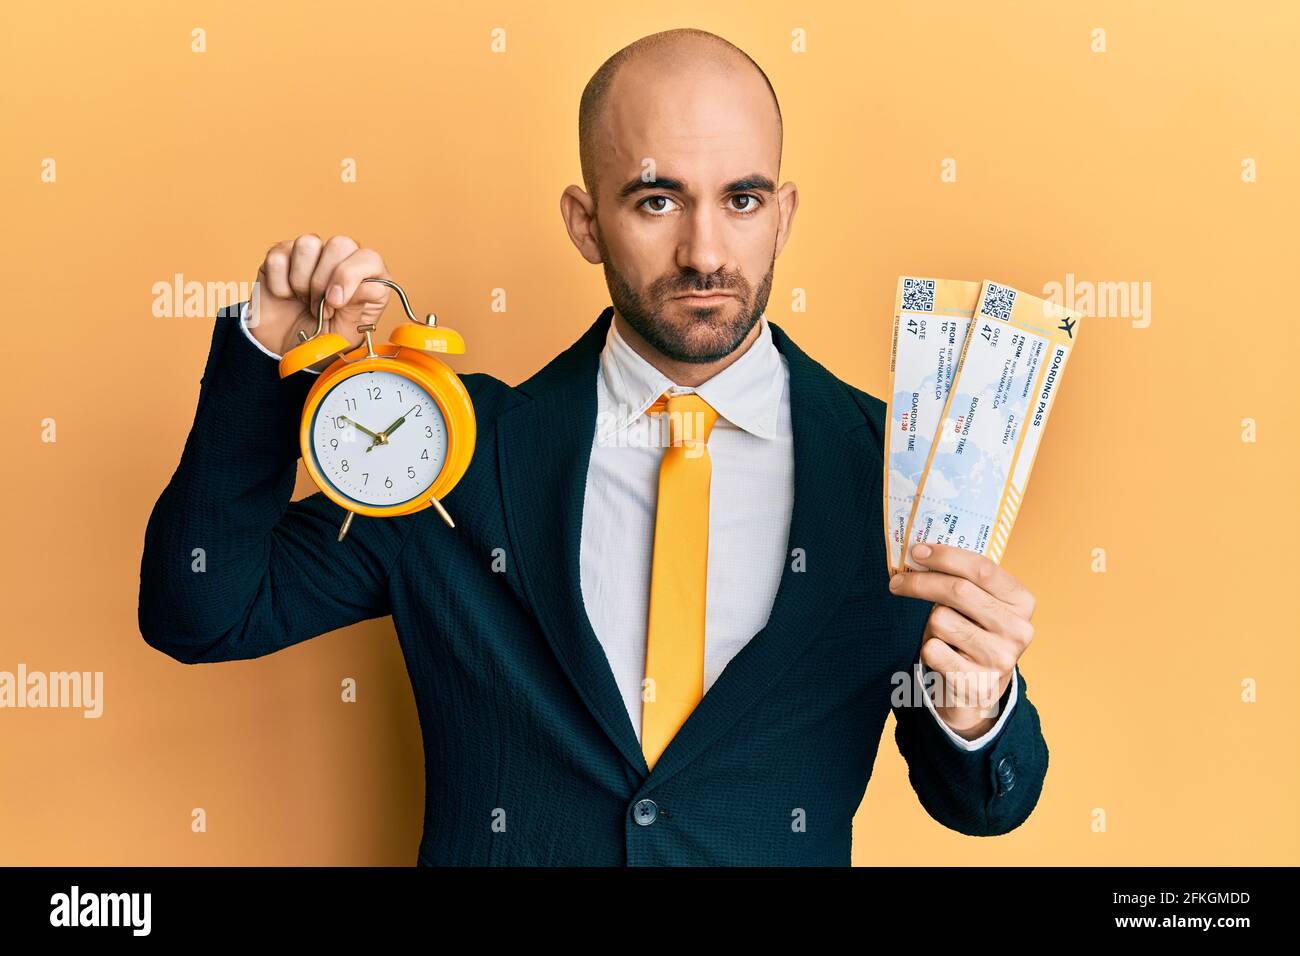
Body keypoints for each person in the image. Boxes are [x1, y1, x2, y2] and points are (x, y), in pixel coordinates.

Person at [138, 28, 1047, 866]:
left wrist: (976, 709)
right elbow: (205, 610)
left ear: (785, 214)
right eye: (657, 200)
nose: (704, 252)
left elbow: (980, 804)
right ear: (584, 222)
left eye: (742, 199)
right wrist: (266, 355)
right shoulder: (451, 452)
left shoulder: (894, 467)